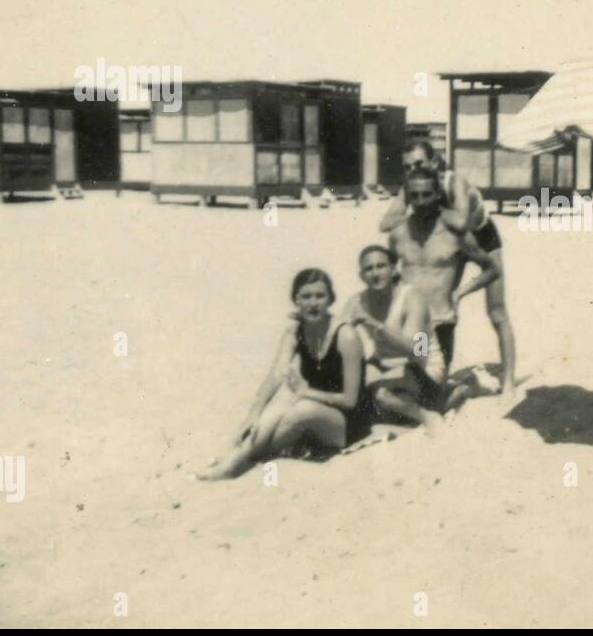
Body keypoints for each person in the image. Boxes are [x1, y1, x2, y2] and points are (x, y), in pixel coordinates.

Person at [199, 269, 363, 480]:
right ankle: (235, 457)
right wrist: (253, 416)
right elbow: (275, 376)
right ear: (296, 300)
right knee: (281, 399)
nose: (313, 303)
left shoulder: (345, 335)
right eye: (306, 296)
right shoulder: (294, 333)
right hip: (314, 408)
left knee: (301, 408)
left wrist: (306, 392)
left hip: (346, 424)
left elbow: (350, 400)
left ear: (331, 299)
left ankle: (235, 463)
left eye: (320, 296)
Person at [381, 140, 516, 394]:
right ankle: (430, 362)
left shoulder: (454, 182)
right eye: (407, 166)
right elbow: (385, 224)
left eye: (419, 164)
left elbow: (461, 222)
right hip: (446, 238)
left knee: (497, 312)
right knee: (435, 306)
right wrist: (419, 204)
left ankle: (508, 379)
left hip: (481, 237)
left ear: (435, 161)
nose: (413, 170)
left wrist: (427, 206)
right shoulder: (416, 184)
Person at [341, 244, 444, 434]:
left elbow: (419, 351)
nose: (375, 273)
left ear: (393, 268)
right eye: (369, 269)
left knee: (379, 394)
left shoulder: (413, 298)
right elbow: (337, 339)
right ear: (361, 275)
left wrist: (375, 325)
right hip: (388, 370)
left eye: (381, 266)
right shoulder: (357, 301)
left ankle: (427, 416)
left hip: (425, 369)